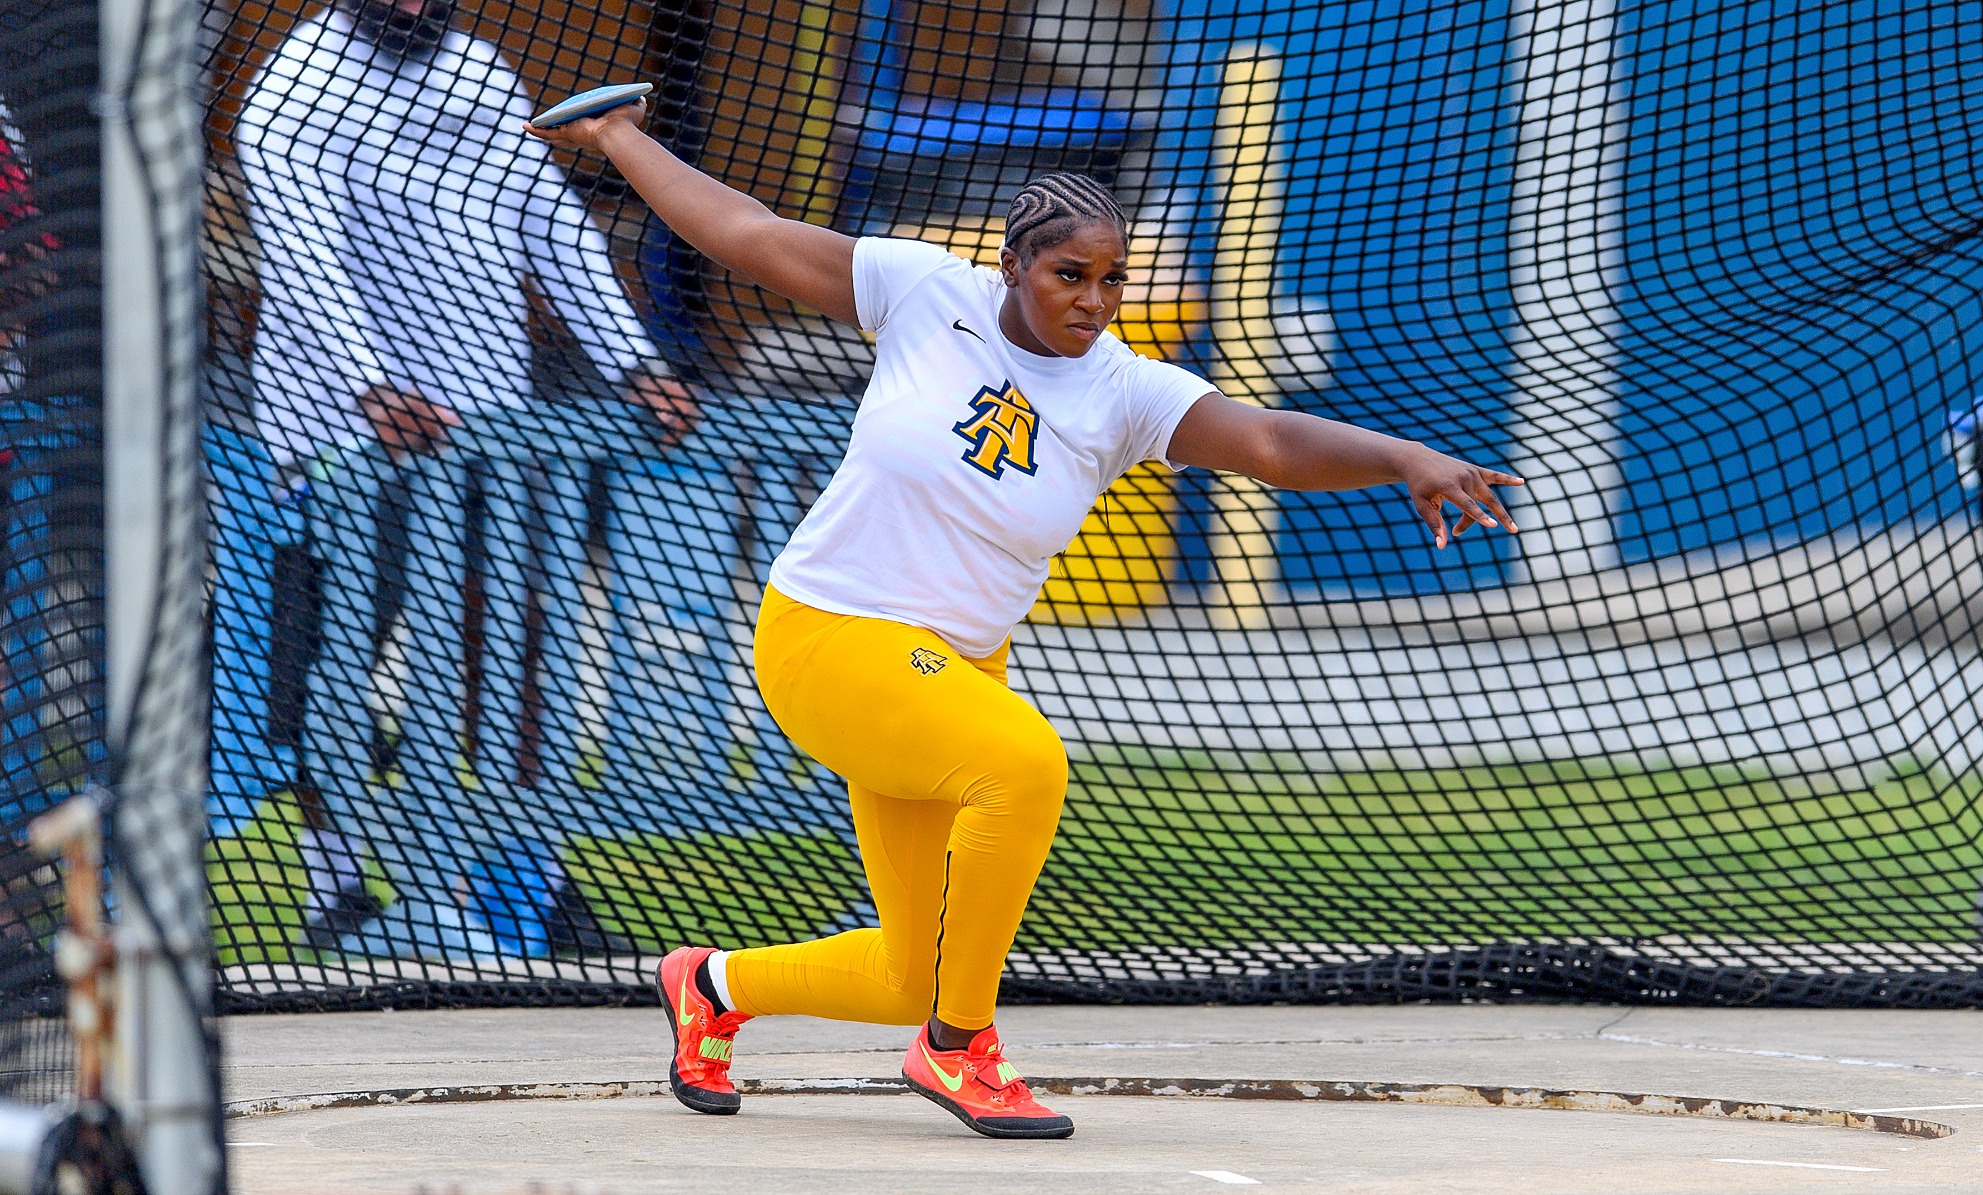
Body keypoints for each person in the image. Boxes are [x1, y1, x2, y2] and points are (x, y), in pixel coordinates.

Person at [527, 102, 1522, 1139]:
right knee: (1025, 764)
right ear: (1009, 265)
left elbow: (1268, 441)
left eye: (1111, 279)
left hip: (946, 671)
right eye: (1068, 275)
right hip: (829, 636)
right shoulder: (921, 291)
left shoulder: (1123, 390)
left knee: (908, 968)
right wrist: (617, 138)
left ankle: (711, 986)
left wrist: (1407, 456)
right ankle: (960, 1049)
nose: (1093, 301)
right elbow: (745, 233)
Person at [232, 0, 694, 947]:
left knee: (513, 655)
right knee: (325, 671)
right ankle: (339, 890)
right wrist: (371, 387)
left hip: (492, 435)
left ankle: (525, 878)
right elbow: (302, 252)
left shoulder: (480, 68)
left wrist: (633, 360)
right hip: (338, 443)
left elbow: (549, 224)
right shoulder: (289, 89)